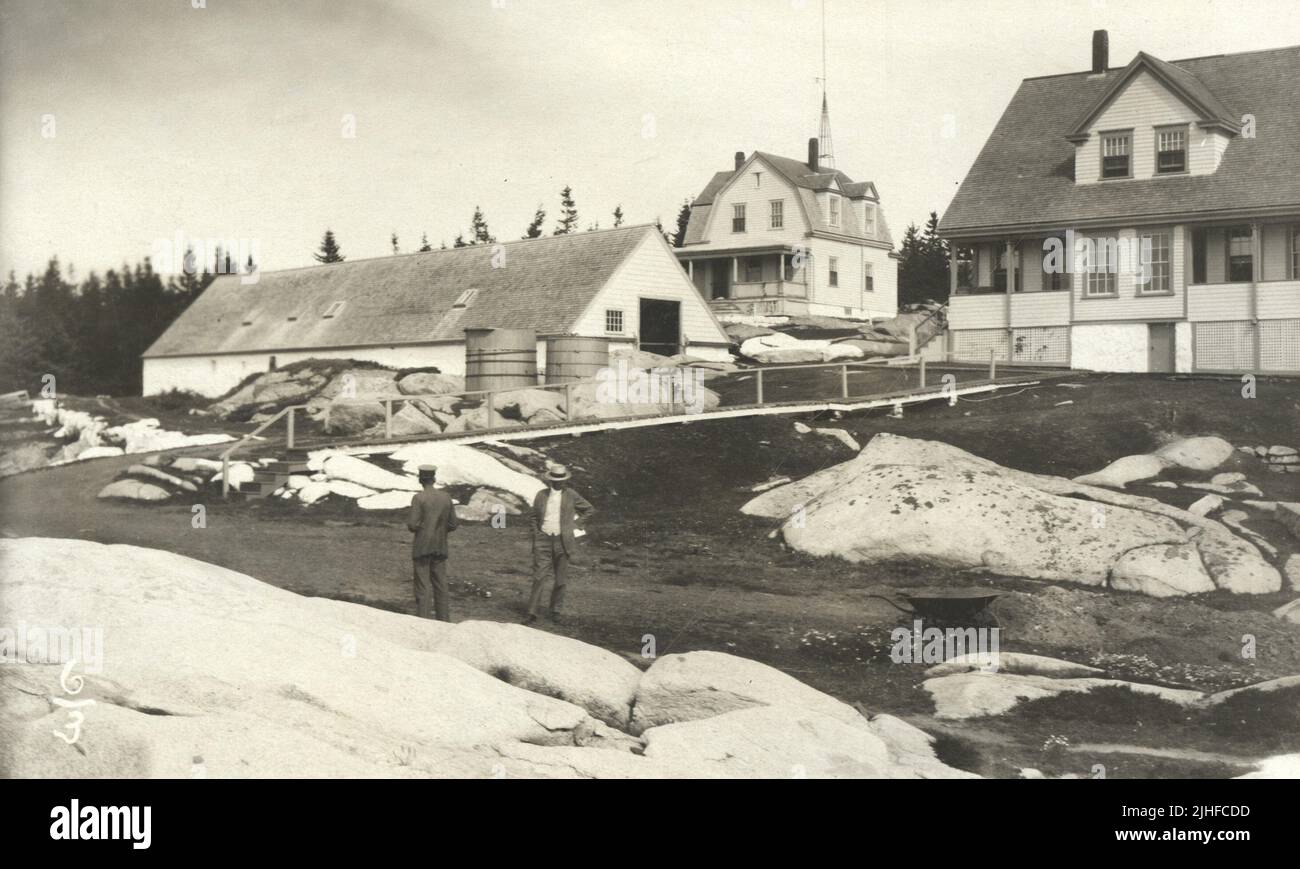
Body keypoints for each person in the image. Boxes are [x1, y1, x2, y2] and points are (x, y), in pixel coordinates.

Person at [526, 464, 594, 625]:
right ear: (550, 480)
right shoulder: (541, 495)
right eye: (555, 480)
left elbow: (589, 509)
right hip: (543, 541)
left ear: (565, 480)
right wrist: (537, 534)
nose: (558, 483)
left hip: (563, 541)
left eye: (561, 480)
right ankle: (531, 612)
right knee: (539, 577)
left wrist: (575, 525)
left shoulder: (571, 495)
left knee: (561, 580)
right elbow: (534, 517)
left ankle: (556, 611)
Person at [407, 464, 457, 621]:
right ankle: (444, 621)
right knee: (441, 585)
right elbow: (453, 524)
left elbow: (412, 525)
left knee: (423, 587)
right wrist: (440, 532)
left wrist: (423, 528)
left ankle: (424, 621)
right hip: (440, 546)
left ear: (421, 479)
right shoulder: (446, 497)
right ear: (434, 479)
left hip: (422, 547)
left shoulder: (418, 498)